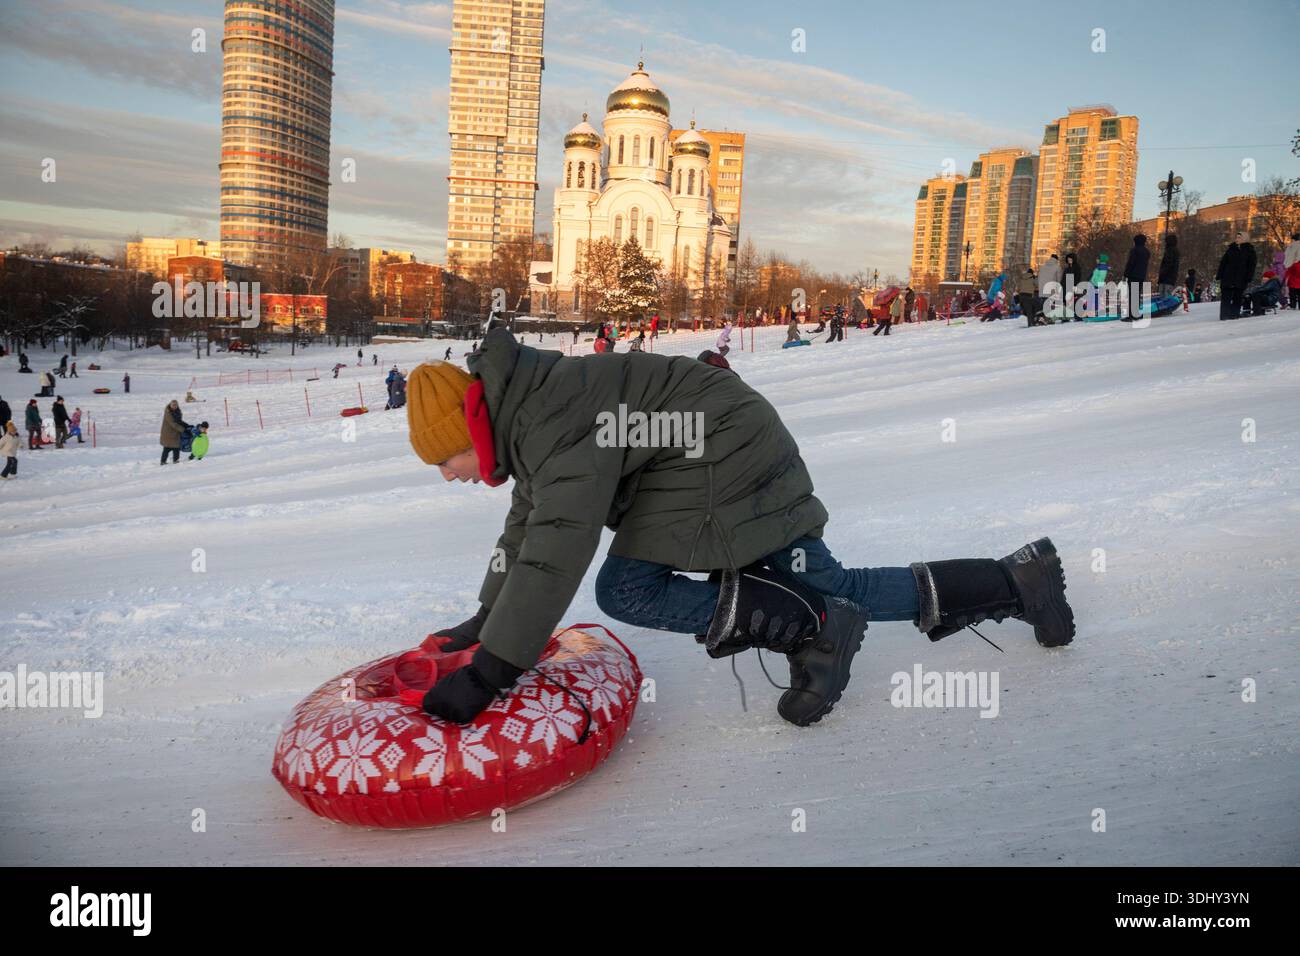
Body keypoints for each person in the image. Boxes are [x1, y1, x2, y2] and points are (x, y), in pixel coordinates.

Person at [406, 332, 1076, 729]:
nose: (447, 476)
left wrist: (493, 671)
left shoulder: (549, 418)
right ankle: (1019, 580)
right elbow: (526, 530)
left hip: (721, 454)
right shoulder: (528, 417)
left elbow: (556, 549)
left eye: (444, 460)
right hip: (721, 446)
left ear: (469, 430)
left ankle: (815, 627)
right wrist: (485, 617)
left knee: (628, 587)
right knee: (830, 585)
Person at [1216, 232, 1257, 320]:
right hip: (1227, 277)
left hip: (1241, 278)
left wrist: (1249, 277)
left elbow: (1251, 265)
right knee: (1226, 297)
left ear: (1245, 239)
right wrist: (1219, 274)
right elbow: (1223, 263)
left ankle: (1234, 314)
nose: (1237, 239)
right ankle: (1224, 315)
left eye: (1239, 237)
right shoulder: (1231, 249)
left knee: (1237, 297)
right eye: (1237, 237)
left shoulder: (1250, 251)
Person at [159, 400, 189, 465]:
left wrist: (186, 425)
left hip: (175, 433)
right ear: (170, 405)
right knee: (167, 448)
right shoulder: (168, 413)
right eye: (173, 405)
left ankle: (176, 460)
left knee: (176, 447)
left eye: (176, 405)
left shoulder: (177, 412)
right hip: (168, 434)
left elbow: (179, 421)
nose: (174, 406)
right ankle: (163, 461)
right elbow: (173, 424)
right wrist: (183, 430)